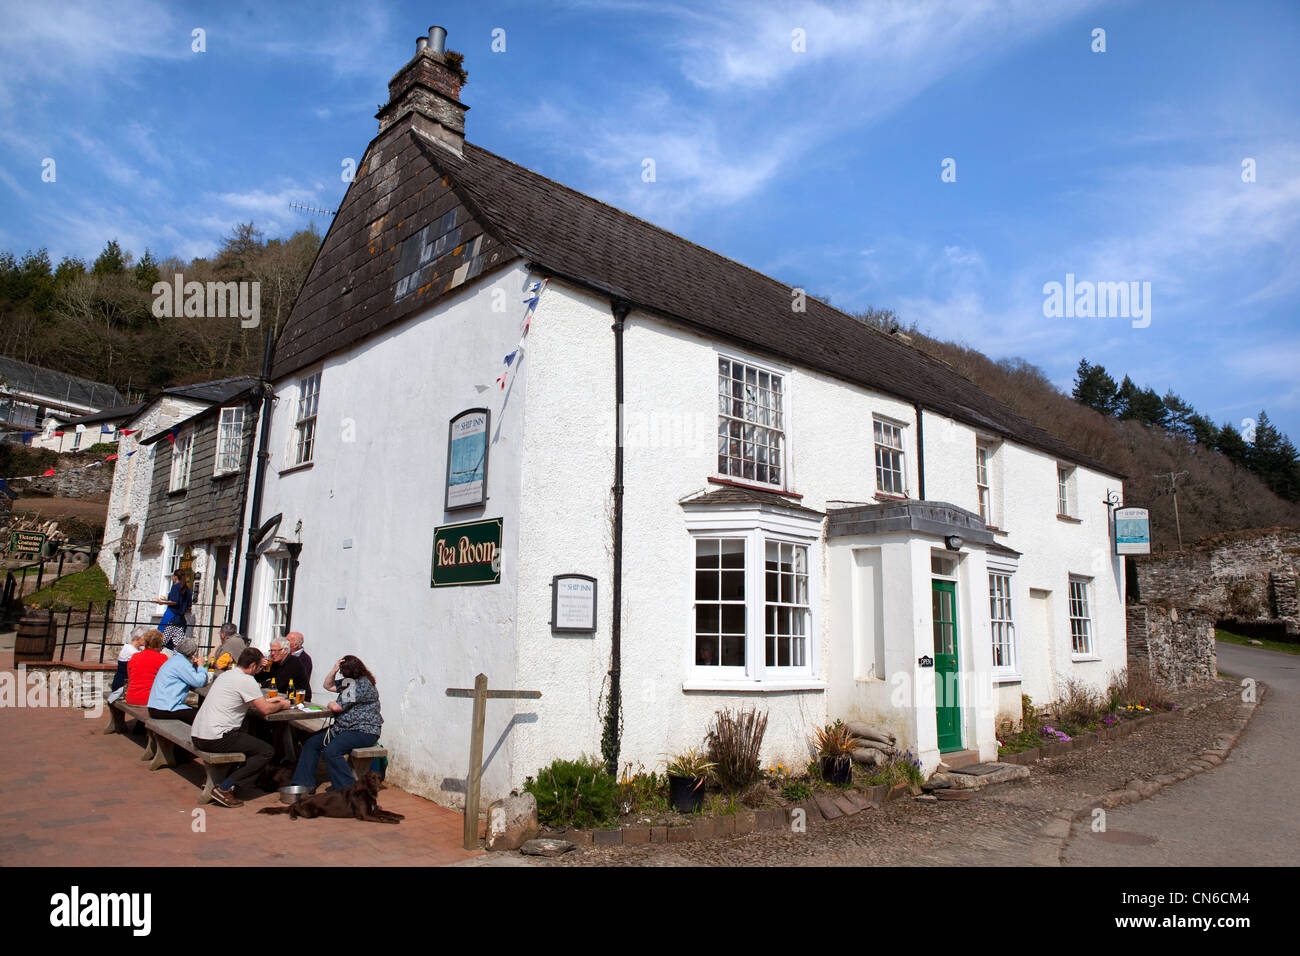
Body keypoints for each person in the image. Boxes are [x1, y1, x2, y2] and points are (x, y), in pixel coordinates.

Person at [191, 647, 291, 807]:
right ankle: (224, 788)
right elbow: (264, 710)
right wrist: (283, 705)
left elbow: (247, 701)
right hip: (215, 737)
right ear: (252, 666)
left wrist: (268, 702)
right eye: (259, 667)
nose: (260, 670)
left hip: (198, 733)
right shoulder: (247, 680)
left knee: (247, 739)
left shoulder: (227, 675)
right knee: (266, 751)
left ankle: (222, 780)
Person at [291, 656, 382, 792]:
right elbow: (328, 686)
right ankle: (304, 784)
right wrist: (334, 670)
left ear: (352, 671)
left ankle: (348, 790)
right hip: (343, 729)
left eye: (343, 671)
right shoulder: (350, 682)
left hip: (363, 731)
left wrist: (330, 704)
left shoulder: (360, 685)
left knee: (331, 751)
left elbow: (336, 707)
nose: (342, 674)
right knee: (311, 743)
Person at [146, 635, 208, 724]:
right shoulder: (182, 663)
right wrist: (202, 666)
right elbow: (199, 682)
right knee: (201, 718)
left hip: (155, 706)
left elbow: (189, 677)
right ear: (192, 653)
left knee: (194, 713)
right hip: (165, 709)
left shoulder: (174, 660)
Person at [259, 635, 311, 701]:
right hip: (283, 696)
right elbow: (263, 677)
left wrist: (260, 685)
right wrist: (259, 667)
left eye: (275, 651)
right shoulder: (275, 663)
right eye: (271, 650)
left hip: (299, 699)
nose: (272, 653)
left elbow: (279, 682)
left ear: (285, 650)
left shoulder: (294, 662)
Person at [124, 631, 168, 706]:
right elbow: (166, 680)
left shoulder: (135, 656)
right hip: (151, 699)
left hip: (132, 697)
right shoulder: (162, 658)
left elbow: (130, 675)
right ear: (160, 643)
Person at [155, 570, 193, 648]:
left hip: (171, 618)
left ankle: (154, 658)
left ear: (175, 577)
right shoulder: (187, 589)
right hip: (181, 621)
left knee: (160, 642)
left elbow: (175, 602)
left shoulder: (176, 586)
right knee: (178, 647)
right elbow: (188, 606)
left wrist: (161, 602)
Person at [111, 626, 150, 693]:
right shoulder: (132, 651)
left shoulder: (128, 647)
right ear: (138, 637)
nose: (147, 640)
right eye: (146, 637)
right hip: (122, 686)